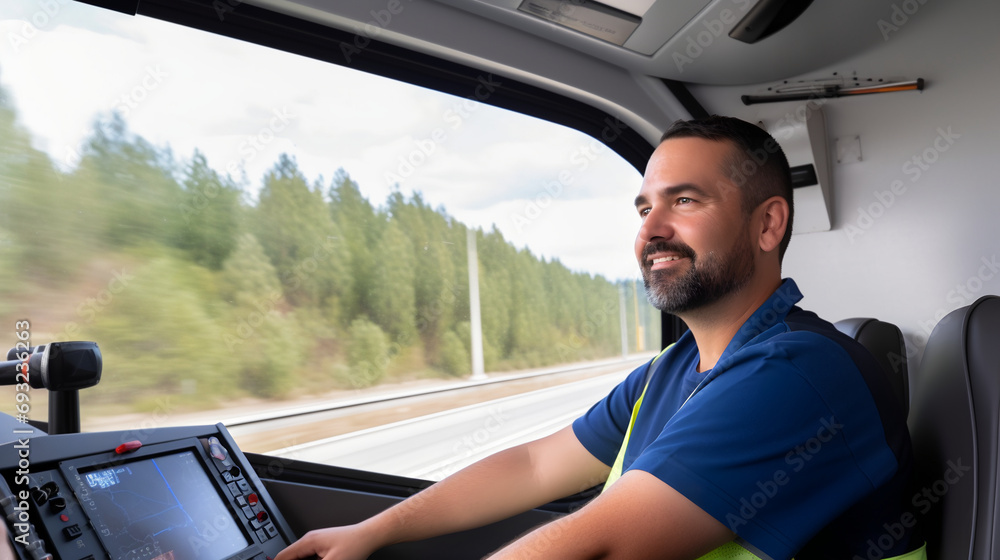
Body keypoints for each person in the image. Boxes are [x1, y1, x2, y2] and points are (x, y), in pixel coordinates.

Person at [275, 116, 923, 560]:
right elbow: (532, 467)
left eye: (685, 201)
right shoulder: (675, 368)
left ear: (767, 225)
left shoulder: (795, 376)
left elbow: (596, 546)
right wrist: (371, 531)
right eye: (644, 208)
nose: (651, 230)